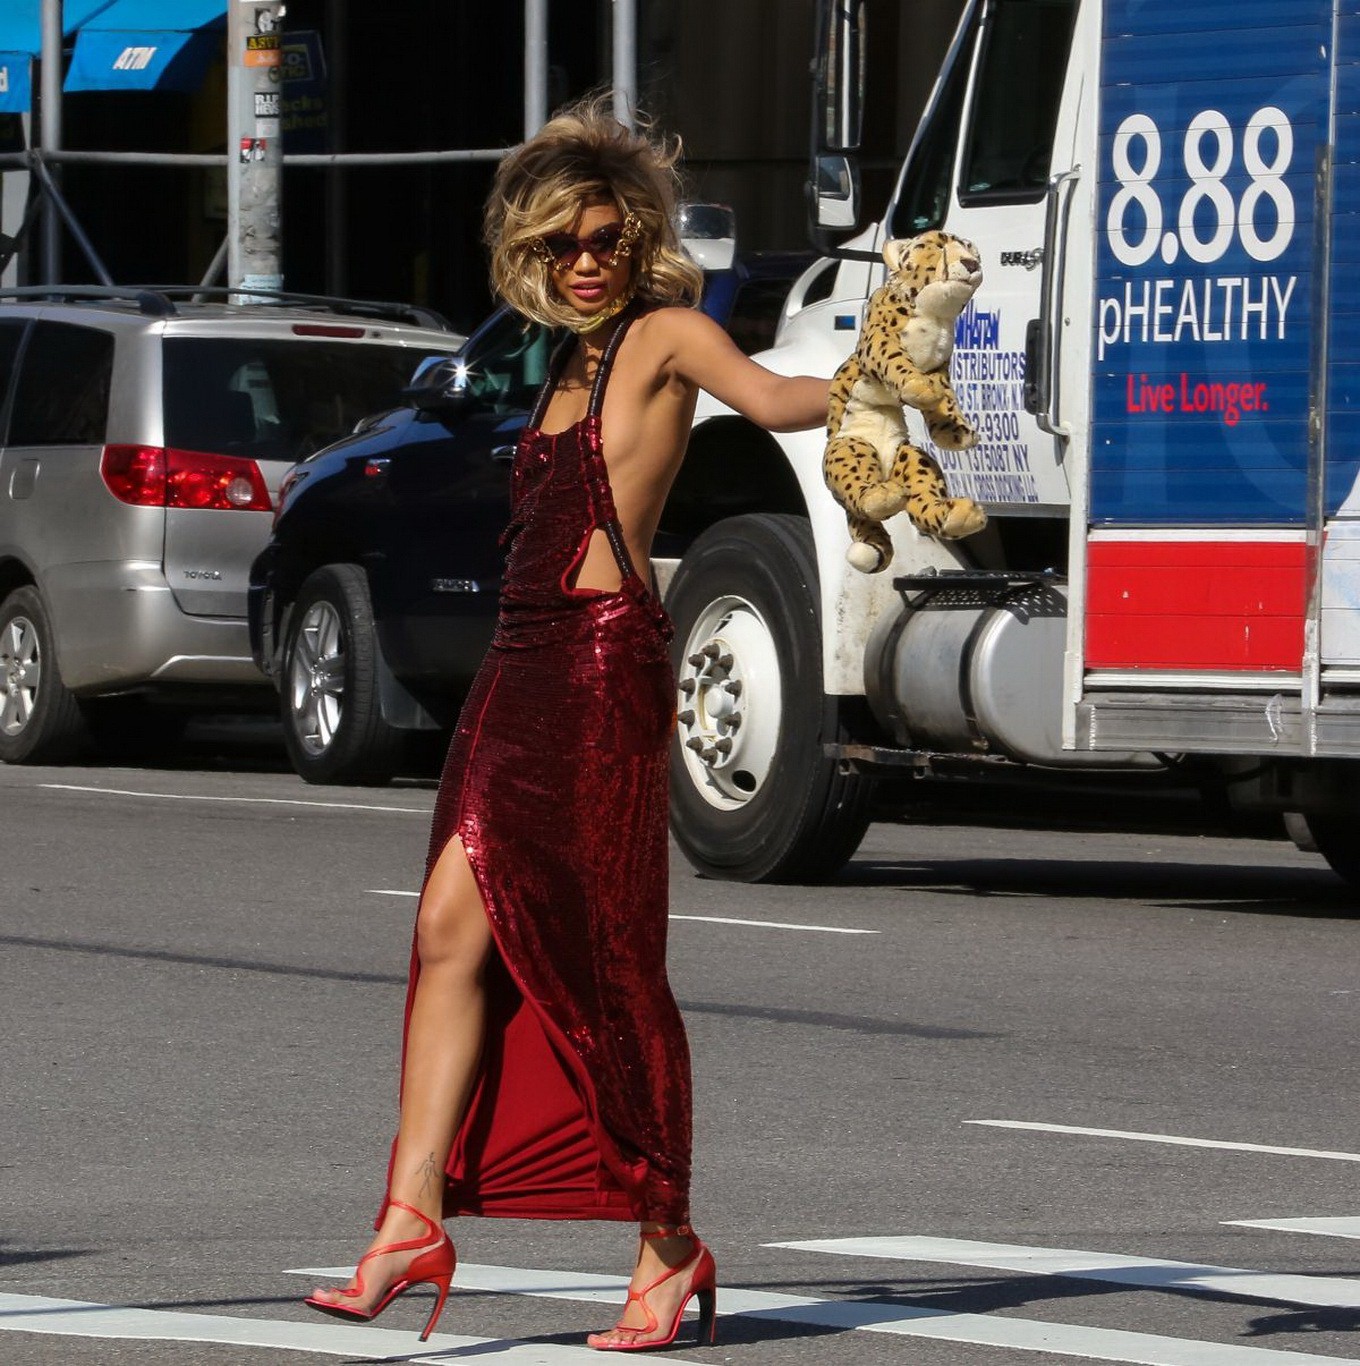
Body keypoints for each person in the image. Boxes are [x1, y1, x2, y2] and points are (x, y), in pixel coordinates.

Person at [304, 95, 830, 1352]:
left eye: (601, 236)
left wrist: (895, 375)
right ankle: (409, 1216)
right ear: (527, 257)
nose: (582, 260)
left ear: (636, 236)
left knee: (603, 964)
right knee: (446, 930)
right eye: (557, 245)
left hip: (598, 669)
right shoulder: (564, 362)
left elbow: (770, 399)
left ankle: (667, 1239)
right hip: (516, 664)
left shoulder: (665, 334)